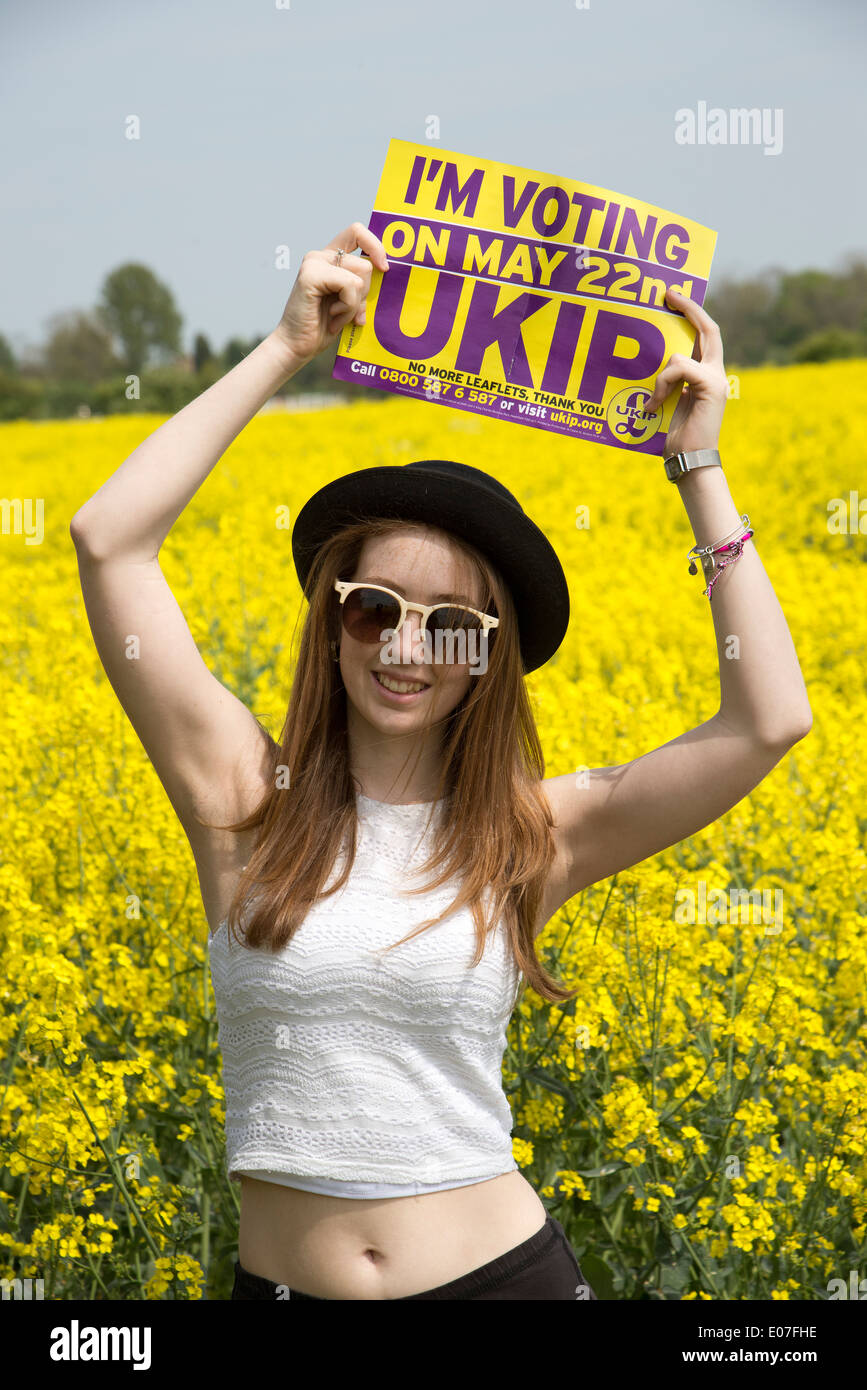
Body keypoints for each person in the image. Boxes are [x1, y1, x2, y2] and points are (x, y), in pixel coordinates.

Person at [70, 222, 812, 1301]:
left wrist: (696, 465)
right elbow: (108, 540)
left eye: (452, 625)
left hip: (501, 1279)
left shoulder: (532, 835)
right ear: (333, 627)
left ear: (489, 657)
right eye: (374, 611)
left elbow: (767, 721)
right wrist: (286, 349)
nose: (407, 649)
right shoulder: (243, 802)